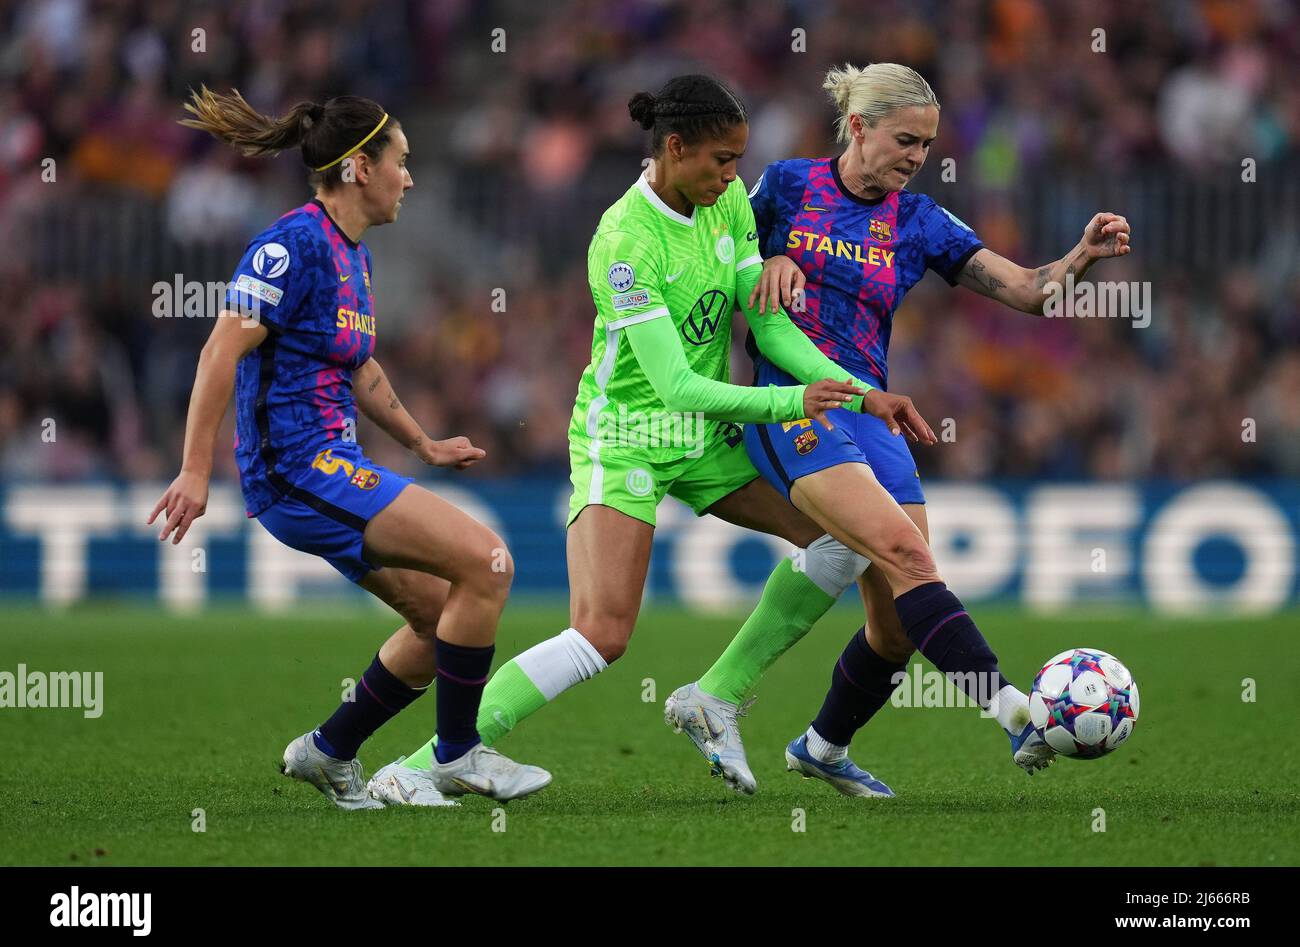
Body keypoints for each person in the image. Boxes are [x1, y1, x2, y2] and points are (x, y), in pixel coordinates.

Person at [367, 74, 935, 805]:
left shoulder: (726, 201)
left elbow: (764, 323)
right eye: (721, 161)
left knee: (846, 538)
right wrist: (794, 399)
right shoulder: (624, 240)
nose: (734, 178)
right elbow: (674, 386)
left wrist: (858, 390)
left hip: (702, 439)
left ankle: (714, 697)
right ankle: (420, 765)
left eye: (738, 161)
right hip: (627, 436)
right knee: (603, 633)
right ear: (674, 149)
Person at [672, 62, 1133, 797]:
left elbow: (1023, 289)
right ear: (858, 127)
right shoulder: (787, 186)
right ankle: (1015, 712)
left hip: (872, 413)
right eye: (906, 140)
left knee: (893, 626)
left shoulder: (919, 222)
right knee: (902, 554)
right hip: (795, 403)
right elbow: (712, 258)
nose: (917, 157)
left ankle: (821, 746)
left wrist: (1080, 258)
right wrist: (772, 257)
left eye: (926, 145)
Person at [148, 87, 550, 809]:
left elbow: (358, 367)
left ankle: (329, 752)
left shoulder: (351, 255)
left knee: (440, 618)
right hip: (297, 471)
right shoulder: (291, 244)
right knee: (489, 563)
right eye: (402, 161)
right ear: (360, 168)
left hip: (338, 467)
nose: (411, 177)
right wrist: (193, 468)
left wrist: (422, 442)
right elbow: (218, 351)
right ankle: (458, 755)